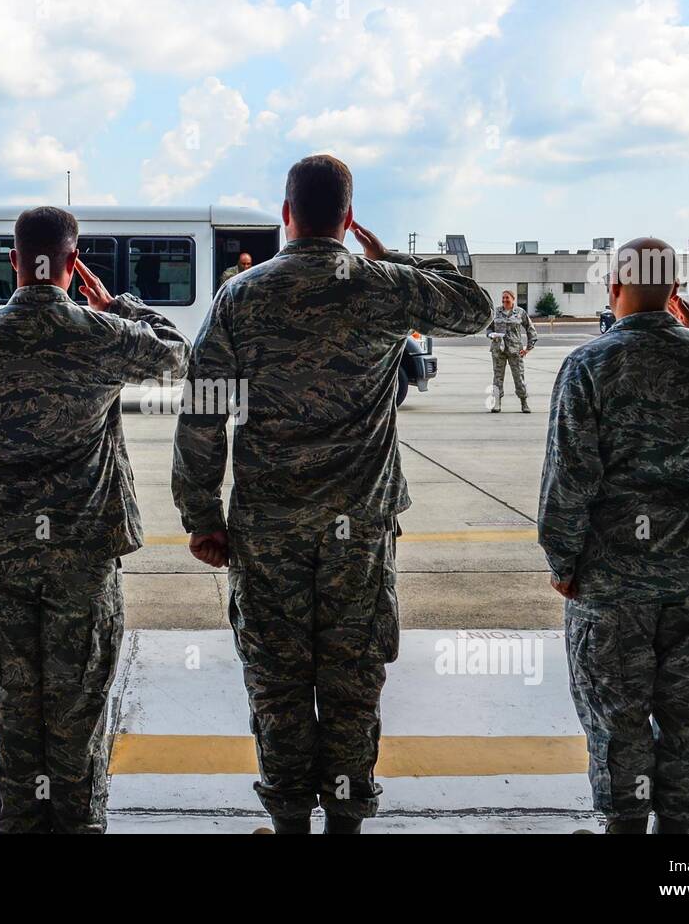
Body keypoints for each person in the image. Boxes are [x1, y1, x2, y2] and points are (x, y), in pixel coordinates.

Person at [172, 155, 492, 833]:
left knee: (278, 684)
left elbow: (203, 410)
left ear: (286, 214)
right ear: (349, 219)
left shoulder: (243, 295)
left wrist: (202, 514)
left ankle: (289, 823)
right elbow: (475, 310)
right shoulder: (382, 287)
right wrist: (404, 266)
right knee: (351, 685)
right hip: (360, 528)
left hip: (267, 530)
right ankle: (346, 823)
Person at [0, 206, 190, 834]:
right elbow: (179, 355)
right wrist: (120, 304)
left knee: (15, 701)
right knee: (79, 701)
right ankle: (78, 822)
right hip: (84, 554)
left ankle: (19, 822)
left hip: (4, 554)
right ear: (73, 264)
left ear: (13, 261)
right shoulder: (99, 334)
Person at [539, 237, 689, 834]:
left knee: (617, 718)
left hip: (613, 582)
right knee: (687, 714)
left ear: (611, 287)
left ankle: (625, 828)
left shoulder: (588, 365)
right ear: (676, 292)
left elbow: (569, 480)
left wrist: (563, 561)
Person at [488, 289, 538, 412]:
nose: (505, 300)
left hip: (515, 350)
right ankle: (497, 403)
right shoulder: (496, 312)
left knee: (519, 377)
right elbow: (488, 328)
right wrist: (491, 335)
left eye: (507, 298)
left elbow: (530, 329)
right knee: (497, 377)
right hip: (498, 350)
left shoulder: (520, 312)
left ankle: (524, 402)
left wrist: (528, 348)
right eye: (503, 298)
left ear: (513, 299)